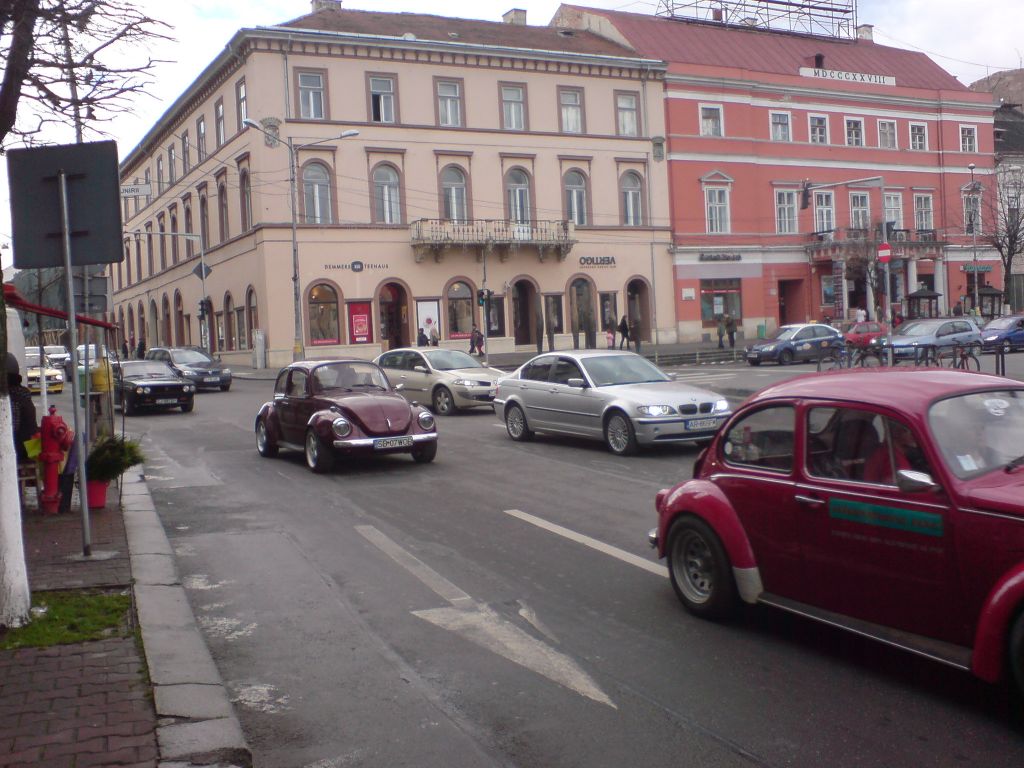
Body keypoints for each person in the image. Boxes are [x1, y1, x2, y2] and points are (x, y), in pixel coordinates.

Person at [7, 353, 37, 464]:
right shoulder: (24, 393)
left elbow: (11, 429)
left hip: (17, 451)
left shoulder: (10, 398)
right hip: (30, 448)